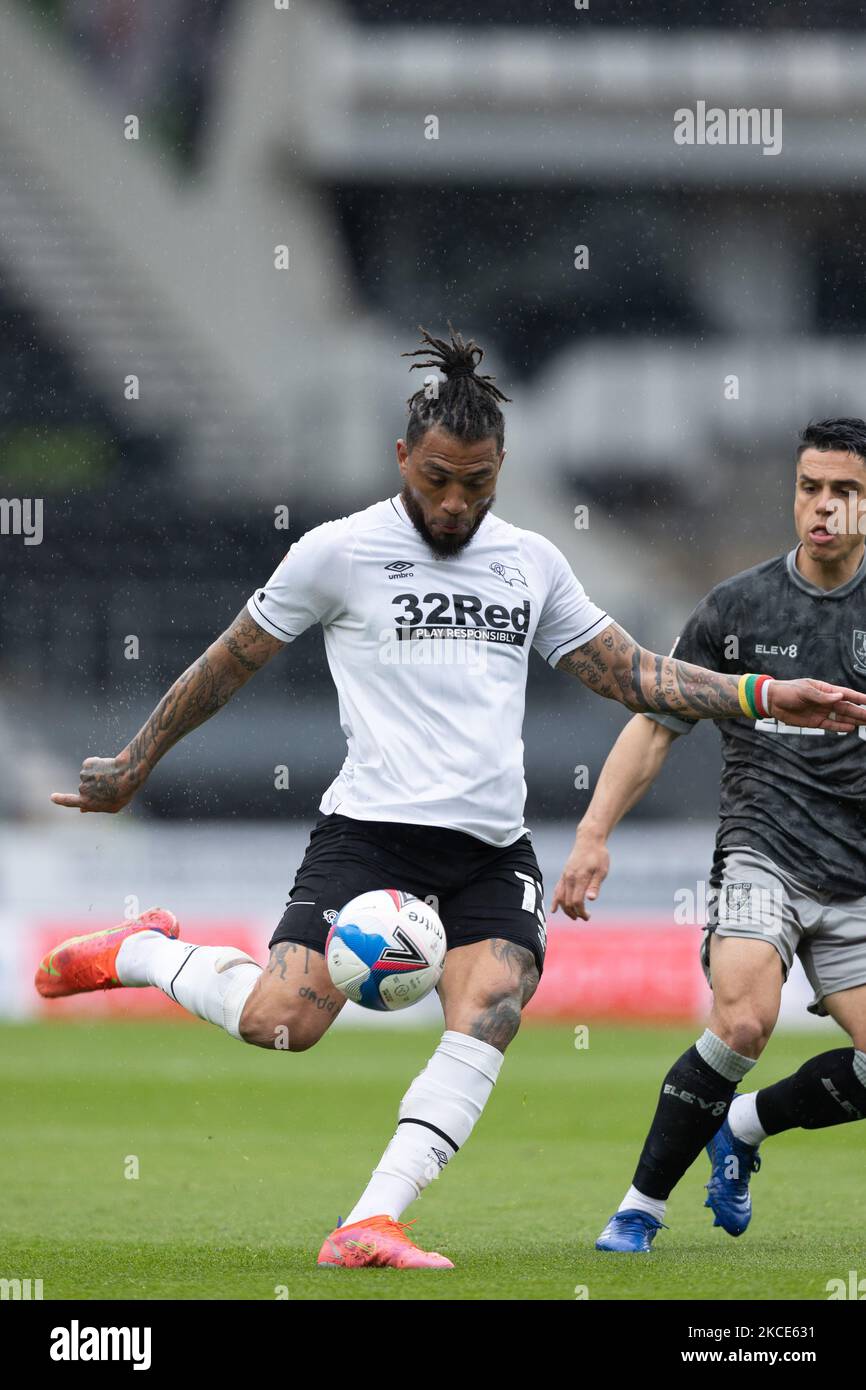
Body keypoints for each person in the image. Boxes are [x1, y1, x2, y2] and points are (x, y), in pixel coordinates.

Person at [39, 336, 866, 1270]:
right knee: (285, 1024)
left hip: (489, 851)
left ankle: (371, 1221)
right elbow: (229, 660)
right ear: (403, 459)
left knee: (494, 1006)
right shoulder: (337, 552)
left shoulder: (530, 564)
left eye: (476, 483)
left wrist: (760, 694)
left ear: (501, 469)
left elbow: (633, 674)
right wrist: (135, 762)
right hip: (369, 840)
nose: (454, 503)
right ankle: (142, 949)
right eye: (436, 479)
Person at [550, 417, 866, 1253]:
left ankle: (747, 1126)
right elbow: (655, 725)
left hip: (860, 875)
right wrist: (593, 834)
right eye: (810, 489)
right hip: (764, 849)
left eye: (845, 491)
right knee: (744, 1021)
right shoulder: (737, 608)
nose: (824, 507)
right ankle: (639, 1210)